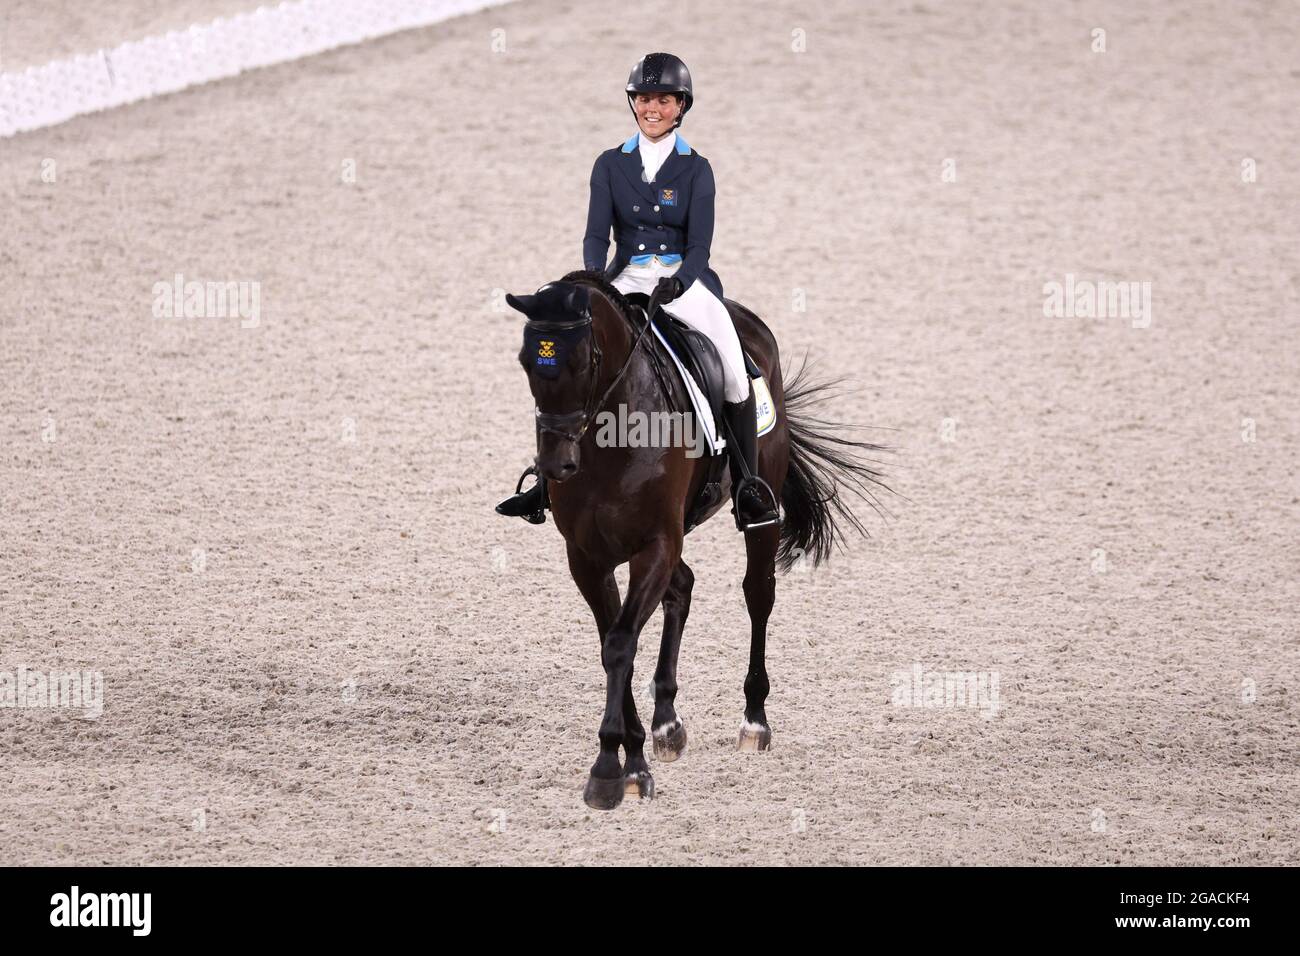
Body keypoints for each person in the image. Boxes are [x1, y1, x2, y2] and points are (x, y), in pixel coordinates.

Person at [497, 52, 779, 532]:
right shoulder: (610, 164)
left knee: (734, 369)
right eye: (644, 98)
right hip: (623, 277)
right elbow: (595, 234)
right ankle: (543, 484)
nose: (653, 108)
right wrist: (593, 279)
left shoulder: (697, 169)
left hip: (682, 283)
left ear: (681, 106)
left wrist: (681, 280)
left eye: (663, 100)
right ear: (633, 103)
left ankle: (749, 486)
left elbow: (700, 244)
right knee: (567, 356)